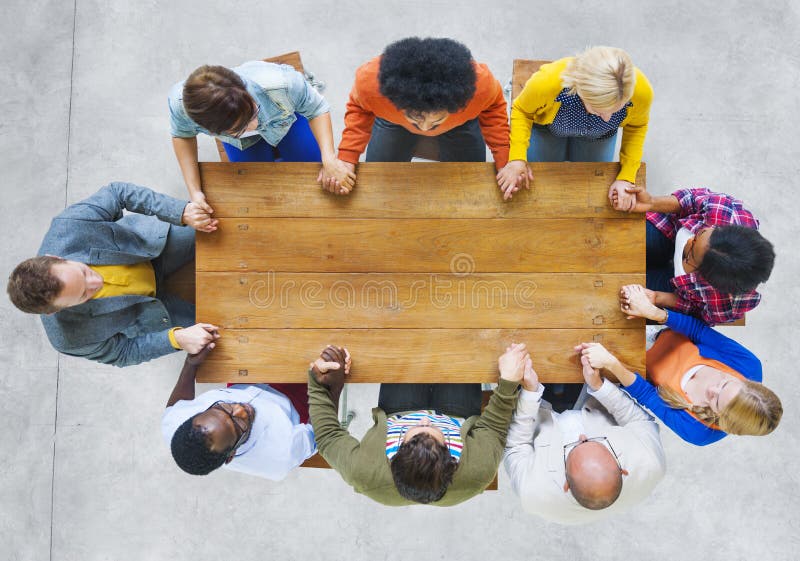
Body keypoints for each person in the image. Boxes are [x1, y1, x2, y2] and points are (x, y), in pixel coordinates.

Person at [6, 182, 220, 367]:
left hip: (154, 247)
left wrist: (180, 211)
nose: (96, 281)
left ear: (57, 257)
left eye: (84, 271)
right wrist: (178, 340)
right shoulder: (68, 339)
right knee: (229, 334)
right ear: (55, 312)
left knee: (219, 219)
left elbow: (118, 192)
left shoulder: (68, 226)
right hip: (154, 311)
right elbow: (124, 353)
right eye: (83, 295)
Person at [307, 343, 523, 506]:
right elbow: (494, 425)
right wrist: (509, 381)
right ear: (453, 459)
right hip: (457, 413)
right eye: (433, 430)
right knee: (460, 346)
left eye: (418, 429)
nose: (425, 419)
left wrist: (319, 381)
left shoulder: (363, 472)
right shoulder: (478, 470)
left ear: (394, 455)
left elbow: (327, 437)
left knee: (407, 345)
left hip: (398, 410)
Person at [169, 60, 355, 218]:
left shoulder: (282, 83)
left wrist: (329, 158)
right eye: (242, 126)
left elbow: (318, 108)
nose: (256, 124)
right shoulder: (181, 107)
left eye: (254, 111)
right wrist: (195, 192)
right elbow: (182, 135)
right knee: (257, 192)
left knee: (314, 171)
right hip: (241, 144)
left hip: (286, 122)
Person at [503, 345, 665, 525]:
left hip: (539, 416)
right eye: (593, 441)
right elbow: (638, 420)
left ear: (565, 483)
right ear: (623, 469)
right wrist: (600, 387)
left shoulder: (533, 493)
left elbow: (515, 445)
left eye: (575, 448)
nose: (580, 436)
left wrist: (530, 394)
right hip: (591, 401)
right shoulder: (650, 463)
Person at [603, 283, 783, 446]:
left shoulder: (698, 432)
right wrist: (652, 312)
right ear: (746, 382)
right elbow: (697, 330)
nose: (713, 389)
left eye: (716, 400)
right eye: (724, 383)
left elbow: (647, 395)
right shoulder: (748, 365)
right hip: (658, 332)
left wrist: (613, 364)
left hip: (632, 370)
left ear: (722, 419)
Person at [336, 37, 511, 189]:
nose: (426, 129)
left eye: (436, 121)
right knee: (379, 184)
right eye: (416, 119)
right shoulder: (371, 83)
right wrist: (347, 157)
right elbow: (359, 108)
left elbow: (494, 108)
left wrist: (505, 160)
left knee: (469, 185)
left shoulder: (481, 87)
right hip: (393, 122)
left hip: (461, 124)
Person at [497, 46, 653, 203]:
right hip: (548, 131)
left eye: (616, 109)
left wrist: (626, 177)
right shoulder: (548, 81)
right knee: (542, 180)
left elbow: (636, 126)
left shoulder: (641, 92)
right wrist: (517, 158)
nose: (607, 119)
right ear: (581, 91)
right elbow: (522, 110)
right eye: (599, 110)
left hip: (599, 136)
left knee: (590, 182)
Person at [617, 186, 774, 324]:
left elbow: (695, 311)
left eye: (689, 255)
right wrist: (651, 202)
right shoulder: (725, 211)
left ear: (707, 278)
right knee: (618, 241)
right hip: (667, 230)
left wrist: (657, 297)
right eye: (700, 233)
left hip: (674, 289)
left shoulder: (728, 304)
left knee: (620, 293)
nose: (689, 241)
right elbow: (689, 200)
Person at [162, 343, 316, 478]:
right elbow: (320, 432)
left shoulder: (176, 424)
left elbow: (175, 406)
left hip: (245, 377)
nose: (239, 409)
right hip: (300, 397)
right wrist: (328, 386)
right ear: (231, 455)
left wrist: (191, 363)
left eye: (222, 408)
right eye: (237, 425)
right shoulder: (281, 455)